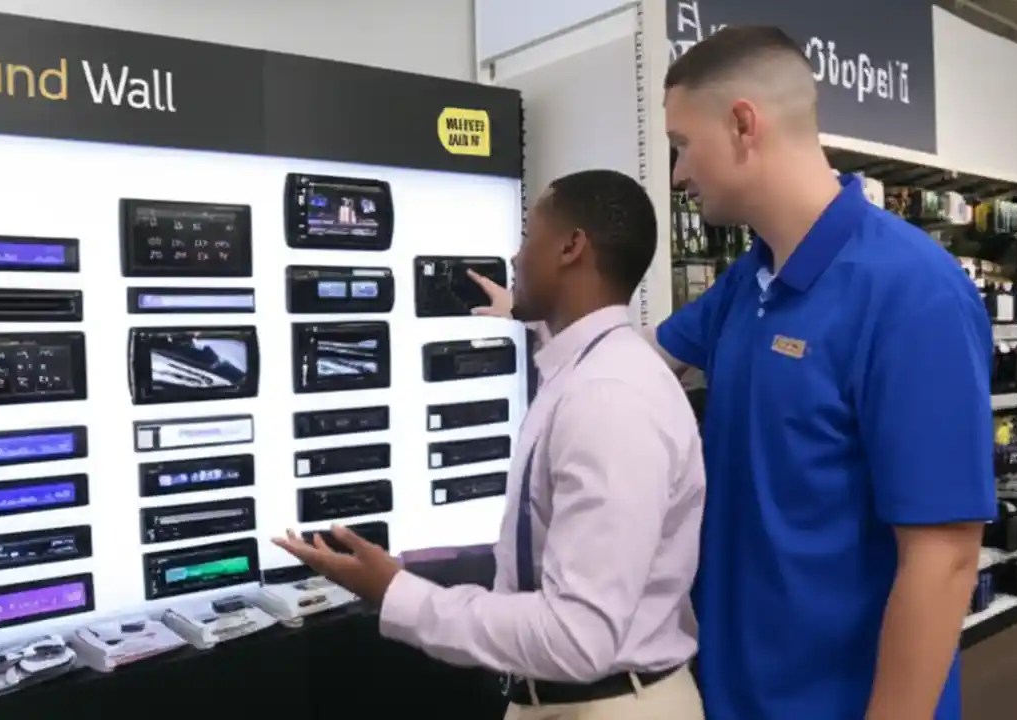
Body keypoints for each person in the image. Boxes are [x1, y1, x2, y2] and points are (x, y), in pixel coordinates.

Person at [467, 26, 995, 720]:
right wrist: (533, 305)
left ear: (744, 125)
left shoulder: (913, 293)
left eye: (683, 144)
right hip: (725, 689)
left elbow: (944, 559)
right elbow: (628, 355)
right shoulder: (750, 282)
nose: (677, 174)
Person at [274, 169, 707, 719]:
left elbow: (578, 637)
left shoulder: (610, 397)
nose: (515, 255)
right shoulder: (592, 372)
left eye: (529, 237)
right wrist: (528, 312)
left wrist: (397, 592)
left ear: (571, 247)